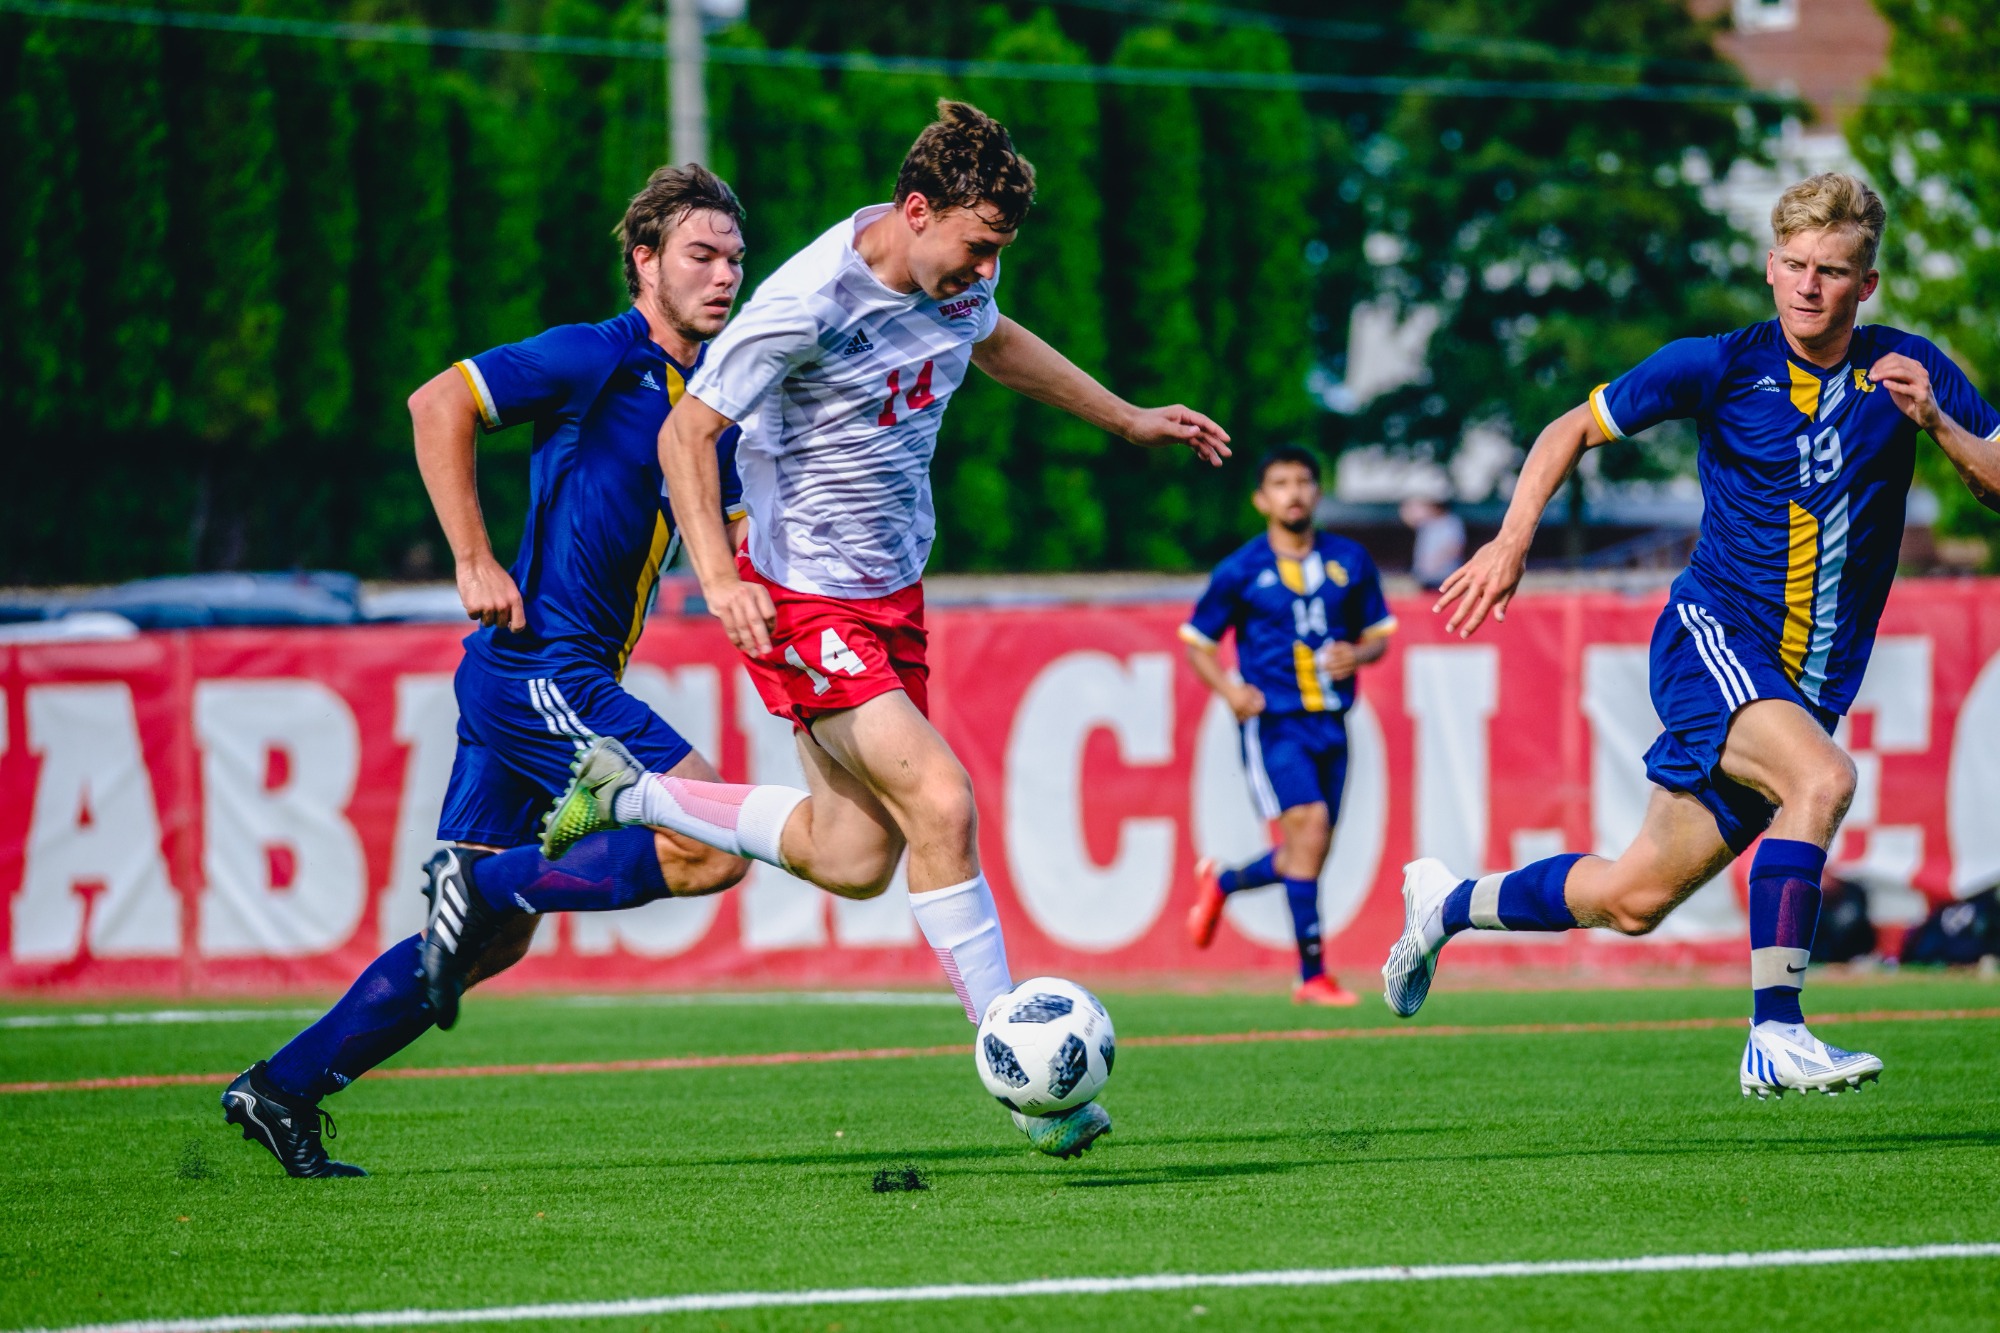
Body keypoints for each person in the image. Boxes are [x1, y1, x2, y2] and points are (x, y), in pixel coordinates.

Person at [538, 101, 1230, 1158]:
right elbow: (687, 434)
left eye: (998, 251)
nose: (987, 269)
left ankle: (628, 793)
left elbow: (997, 345)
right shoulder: (807, 300)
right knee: (942, 802)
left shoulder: (962, 280)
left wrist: (1125, 416)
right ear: (915, 210)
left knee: (855, 854)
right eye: (977, 246)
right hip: (803, 595)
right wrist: (718, 579)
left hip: (892, 592)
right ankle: (1029, 1087)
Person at [1381, 173, 2000, 1098]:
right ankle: (1775, 1033)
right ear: (1770, 266)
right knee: (1823, 779)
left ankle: (1445, 903)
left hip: (1803, 684)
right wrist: (1511, 541)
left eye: (1832, 270)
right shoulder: (1718, 364)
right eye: (1795, 264)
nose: (1809, 286)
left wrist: (1940, 424)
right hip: (1712, 637)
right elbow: (1567, 429)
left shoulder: (1910, 369)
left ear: (1866, 283)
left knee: (1633, 897)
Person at [221, 166, 755, 1177]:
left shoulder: (711, 409)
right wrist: (471, 557)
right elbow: (437, 403)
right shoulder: (597, 355)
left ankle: (281, 1087)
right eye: (700, 255)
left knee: (487, 941)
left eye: (734, 258)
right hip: (542, 669)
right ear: (644, 261)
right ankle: (481, 882)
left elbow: (733, 539)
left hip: (526, 677)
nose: (723, 275)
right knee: (709, 845)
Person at [1181, 446, 1396, 1005]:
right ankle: (1313, 976)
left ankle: (1224, 881)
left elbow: (1378, 635)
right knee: (1309, 828)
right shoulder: (1241, 568)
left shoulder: (1349, 560)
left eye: (1302, 481)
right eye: (1280, 483)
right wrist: (1230, 690)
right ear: (1261, 499)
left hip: (1333, 723)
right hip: (1274, 723)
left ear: (1317, 492)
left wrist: (1358, 654)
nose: (1293, 493)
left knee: (1311, 849)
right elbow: (1199, 643)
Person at [1400, 493, 1465, 591]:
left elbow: (1456, 547)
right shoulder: (1427, 522)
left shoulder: (1451, 522)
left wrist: (1435, 564)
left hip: (1445, 576)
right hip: (1425, 577)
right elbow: (1409, 519)